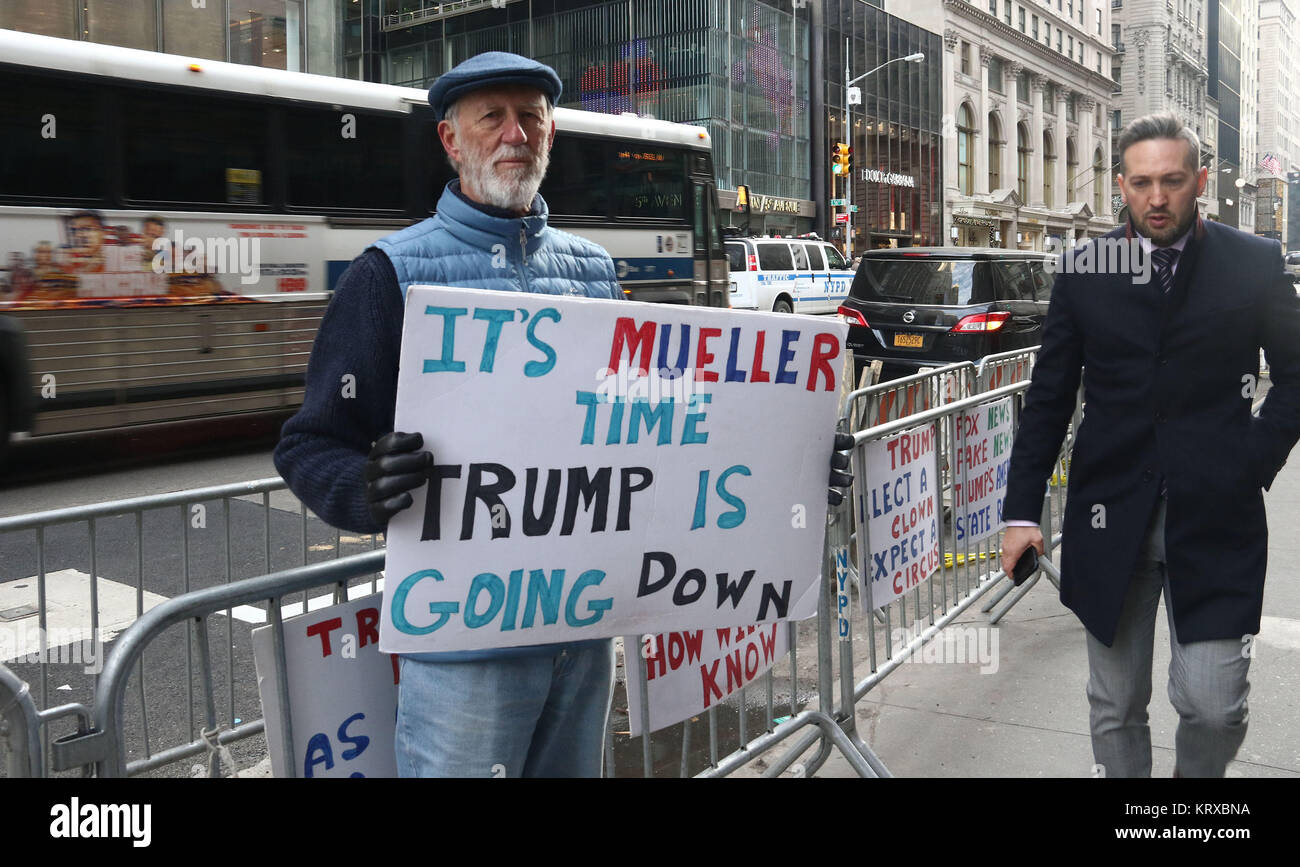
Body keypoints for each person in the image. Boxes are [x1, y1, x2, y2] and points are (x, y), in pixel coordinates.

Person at [274, 51, 854, 778]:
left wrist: (791, 458)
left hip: (582, 641)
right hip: (464, 657)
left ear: (551, 136)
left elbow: (660, 421)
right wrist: (362, 485)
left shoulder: (592, 271)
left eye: (532, 117)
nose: (515, 133)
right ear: (452, 142)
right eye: (493, 117)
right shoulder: (387, 274)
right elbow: (310, 443)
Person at [1000, 112, 1300, 778]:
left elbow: (1296, 372)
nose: (1156, 198)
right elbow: (1050, 398)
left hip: (1217, 516)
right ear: (1121, 186)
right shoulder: (1084, 268)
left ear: (1199, 179)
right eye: (1141, 183)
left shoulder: (1253, 262)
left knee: (1215, 705)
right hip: (1108, 517)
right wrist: (1021, 513)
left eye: (1171, 180)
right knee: (1114, 703)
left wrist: (1256, 455)